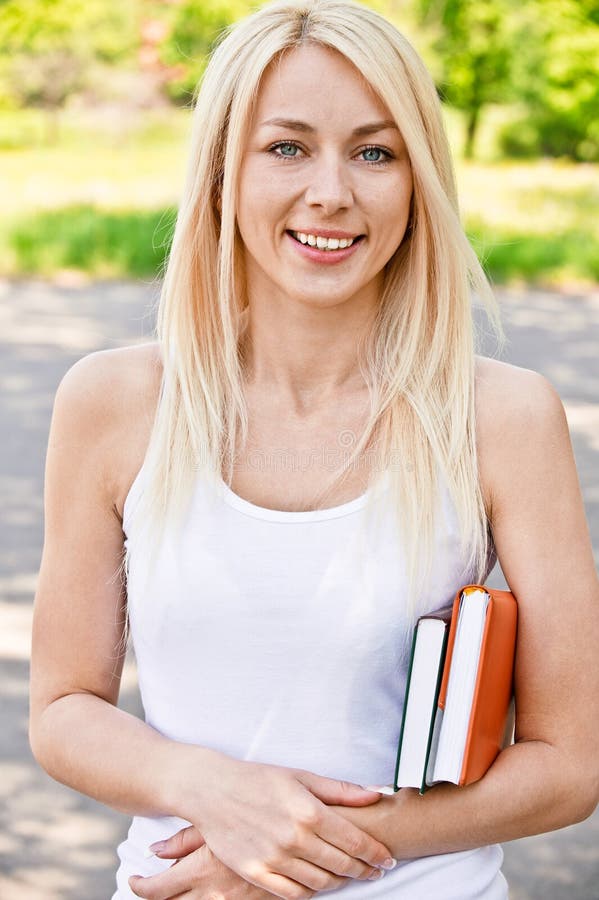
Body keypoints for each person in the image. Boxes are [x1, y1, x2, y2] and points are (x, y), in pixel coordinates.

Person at [29, 0, 599, 898]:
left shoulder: (503, 418)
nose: (330, 191)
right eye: (286, 147)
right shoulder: (114, 403)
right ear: (221, 173)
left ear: (418, 183)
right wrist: (210, 791)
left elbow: (569, 764)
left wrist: (289, 846)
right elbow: (63, 711)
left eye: (374, 152)